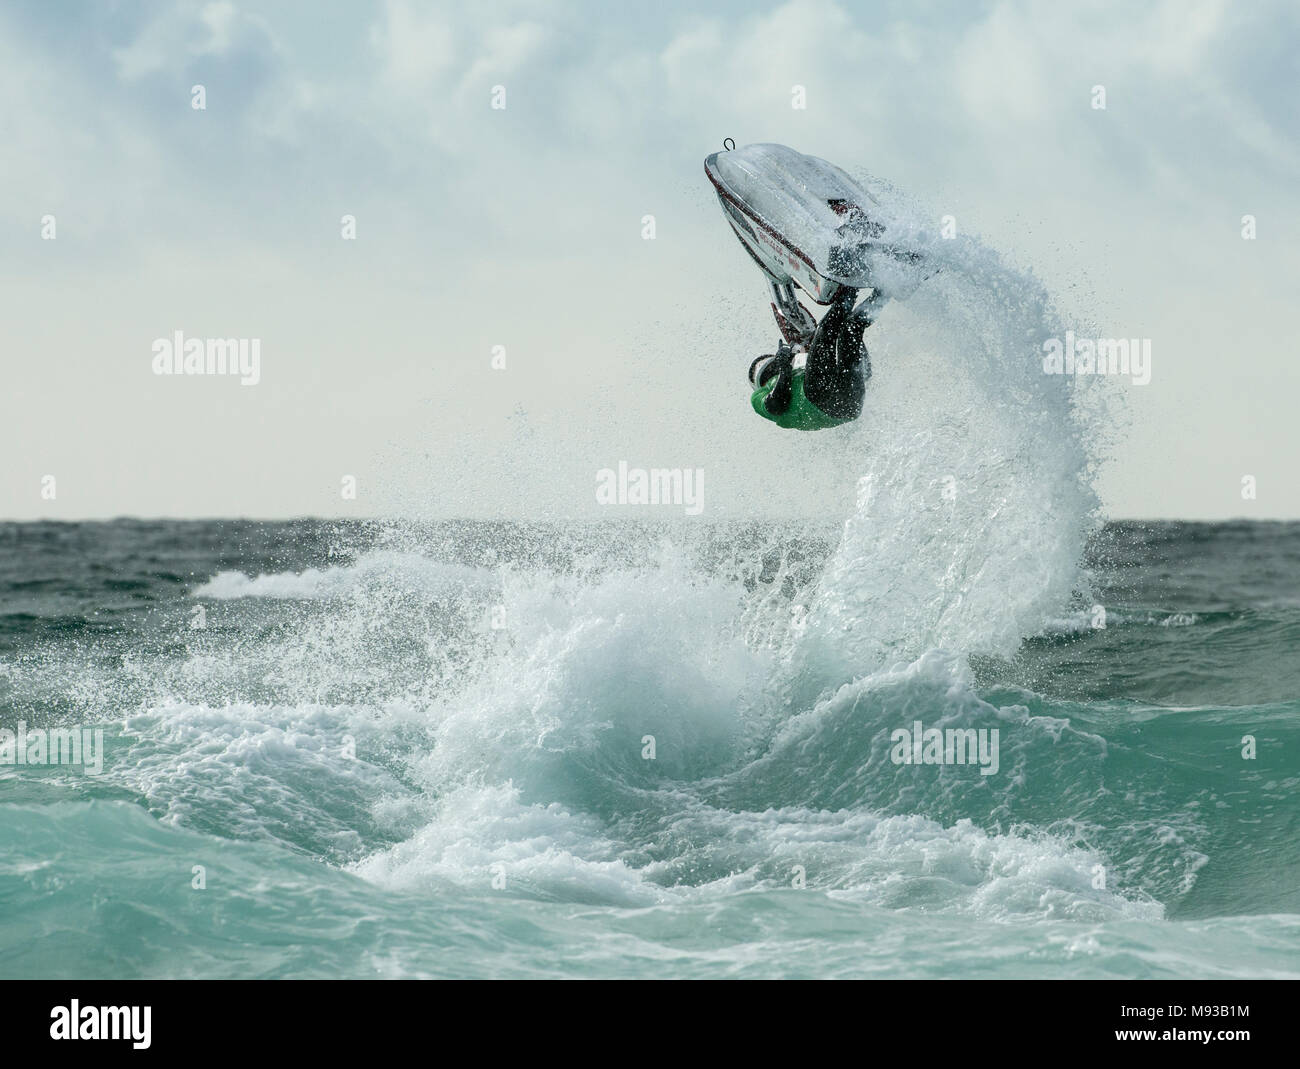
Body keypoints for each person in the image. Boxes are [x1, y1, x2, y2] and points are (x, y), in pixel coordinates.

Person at [748, 288, 873, 430]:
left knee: (851, 328)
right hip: (819, 400)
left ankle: (886, 290)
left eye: (774, 365)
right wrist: (784, 369)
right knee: (827, 329)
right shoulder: (758, 397)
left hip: (851, 407)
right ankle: (851, 285)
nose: (773, 370)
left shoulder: (798, 368)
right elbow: (776, 405)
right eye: (769, 371)